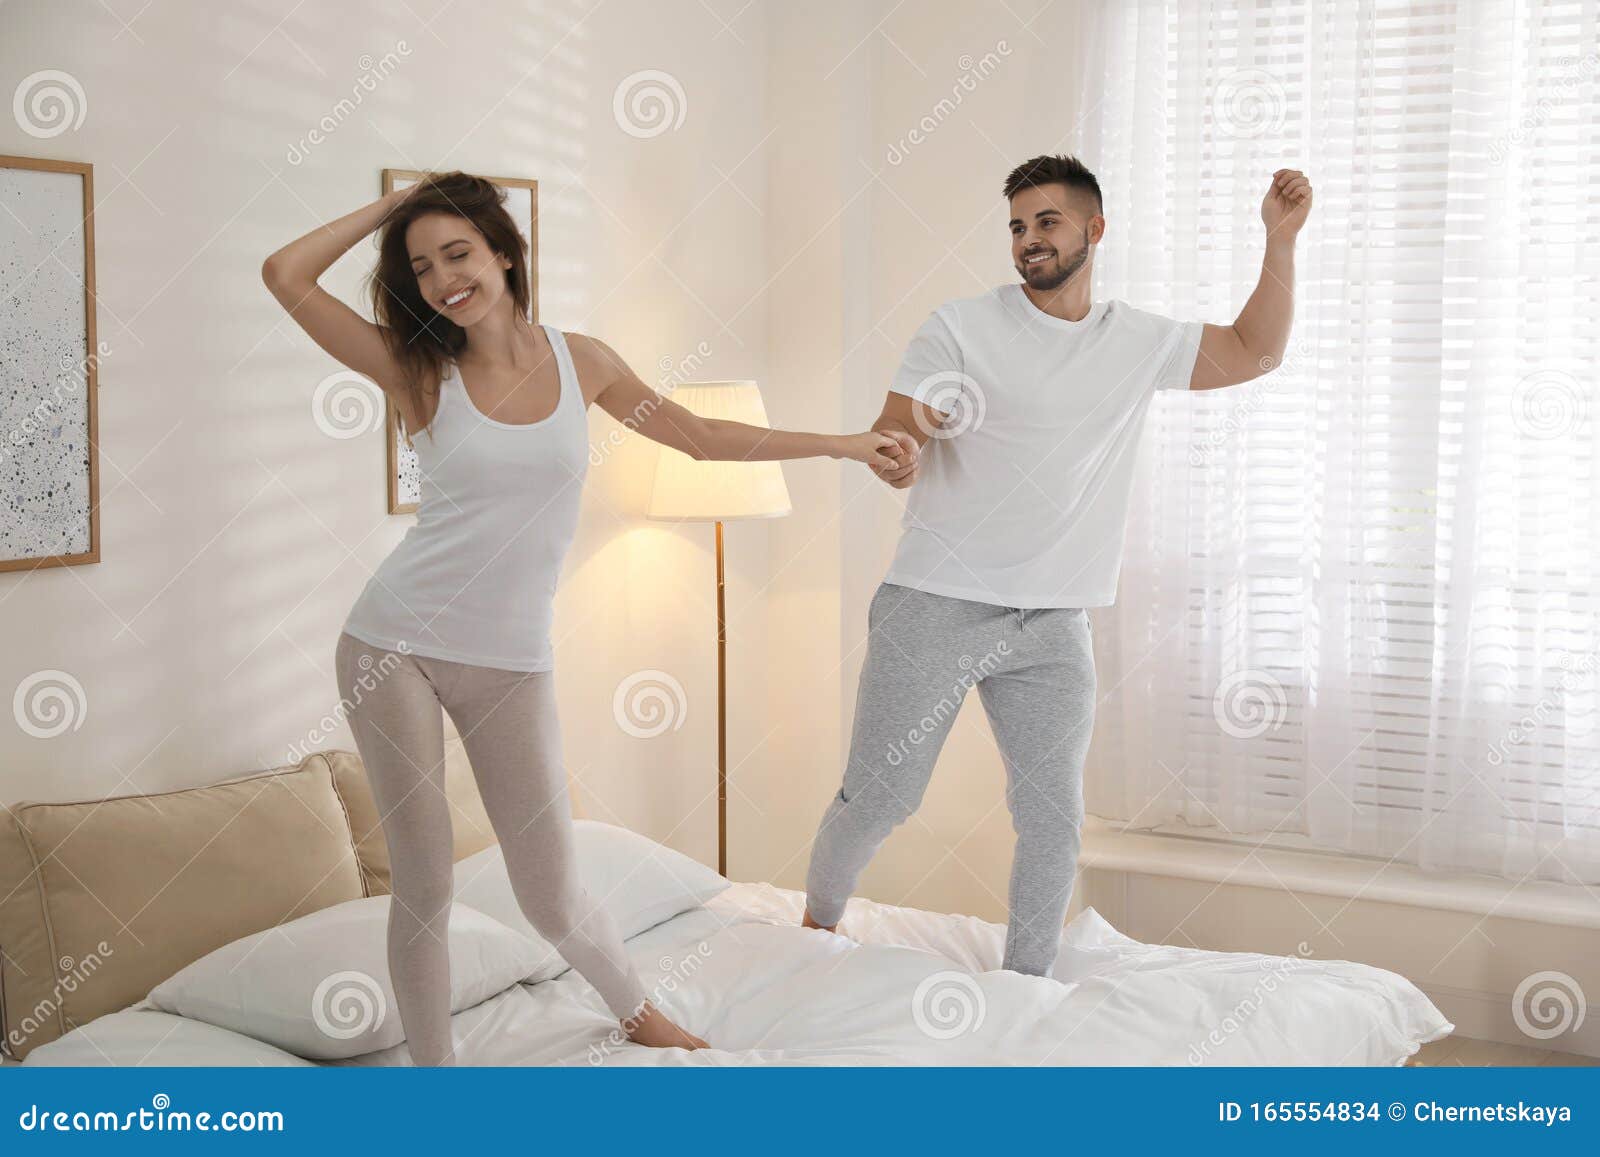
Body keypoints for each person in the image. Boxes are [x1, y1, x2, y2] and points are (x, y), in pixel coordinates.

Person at [262, 170, 916, 1065]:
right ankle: (436, 1083)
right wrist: (393, 205)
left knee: (550, 886)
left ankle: (637, 1012)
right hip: (394, 643)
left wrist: (841, 443)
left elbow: (698, 435)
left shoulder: (584, 361)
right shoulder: (419, 369)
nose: (445, 278)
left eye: (459, 252)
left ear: (503, 252)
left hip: (511, 658)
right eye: (421, 266)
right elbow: (285, 275)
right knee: (423, 878)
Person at [801, 153, 1312, 976]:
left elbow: (1256, 352)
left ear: (1093, 230)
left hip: (1054, 622)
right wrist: (899, 451)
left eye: (1045, 222)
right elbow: (902, 427)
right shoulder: (961, 327)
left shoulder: (1136, 341)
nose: (1027, 241)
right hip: (936, 601)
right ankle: (815, 927)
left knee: (1053, 818)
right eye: (1015, 226)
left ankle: (1024, 985)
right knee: (883, 797)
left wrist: (1280, 242)